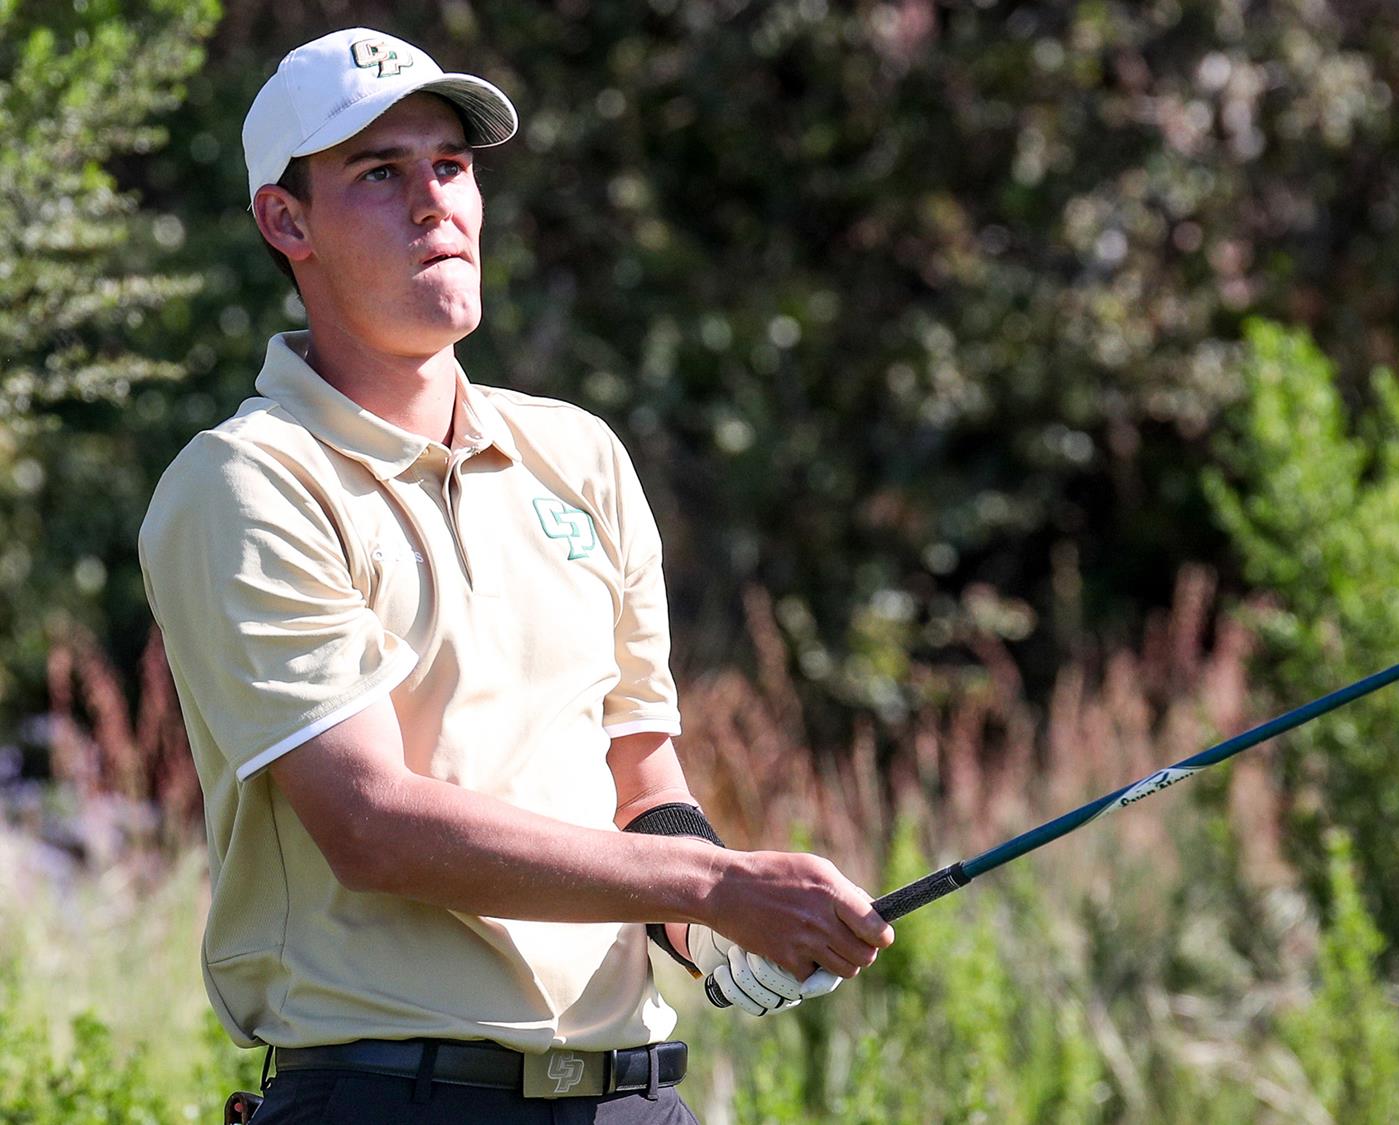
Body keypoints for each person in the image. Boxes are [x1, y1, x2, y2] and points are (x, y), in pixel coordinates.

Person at [138, 28, 892, 1124]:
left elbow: (644, 781)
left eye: (450, 165)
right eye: (379, 173)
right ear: (283, 221)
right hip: (389, 1099)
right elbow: (371, 824)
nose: (434, 202)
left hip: (633, 1098)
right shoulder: (244, 483)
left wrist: (707, 935)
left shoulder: (577, 455)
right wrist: (717, 887)